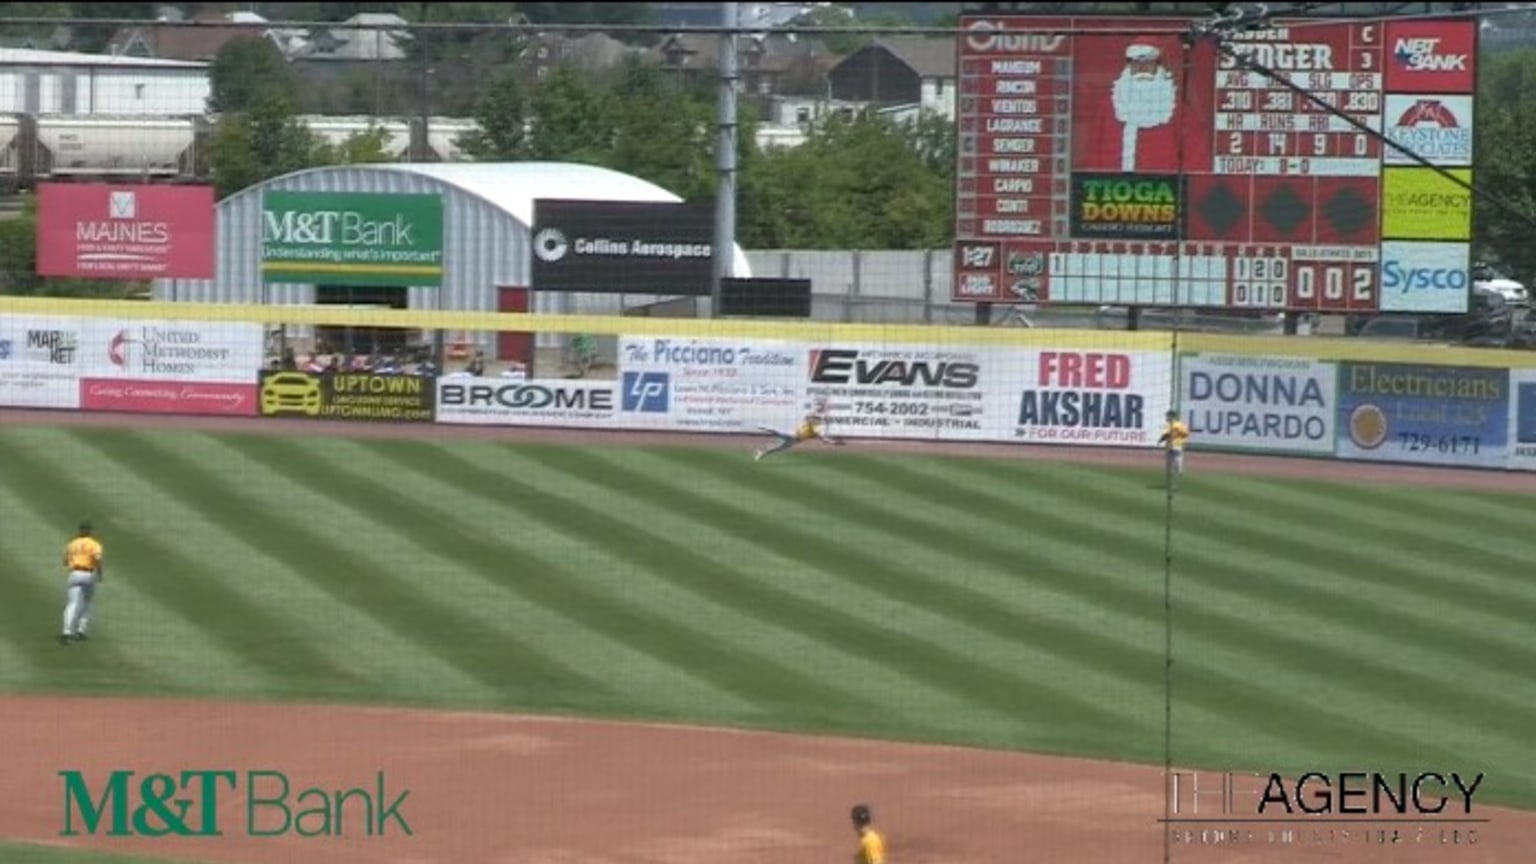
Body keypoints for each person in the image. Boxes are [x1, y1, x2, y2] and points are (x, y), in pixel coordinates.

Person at [60, 521, 104, 646]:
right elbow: (98, 559)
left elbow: (64, 561)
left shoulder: (72, 543)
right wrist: (100, 574)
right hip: (89, 574)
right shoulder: (94, 544)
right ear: (90, 531)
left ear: (79, 530)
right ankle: (81, 630)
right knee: (87, 602)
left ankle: (66, 632)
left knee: (72, 603)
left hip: (74, 573)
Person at [754, 399, 841, 461]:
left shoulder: (817, 427)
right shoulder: (811, 418)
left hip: (796, 440)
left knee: (779, 448)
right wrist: (820, 410)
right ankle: (760, 426)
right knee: (777, 432)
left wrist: (833, 442)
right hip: (793, 433)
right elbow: (810, 416)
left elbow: (823, 438)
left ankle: (761, 453)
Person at [1158, 409, 1191, 490]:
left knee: (1177, 468)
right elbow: (1166, 435)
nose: (1167, 417)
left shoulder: (1180, 425)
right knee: (1170, 468)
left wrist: (1176, 433)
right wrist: (1162, 439)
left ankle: (1175, 484)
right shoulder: (1168, 425)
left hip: (1177, 447)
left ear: (1172, 416)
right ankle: (1171, 484)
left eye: (1168, 416)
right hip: (1169, 447)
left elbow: (1186, 434)